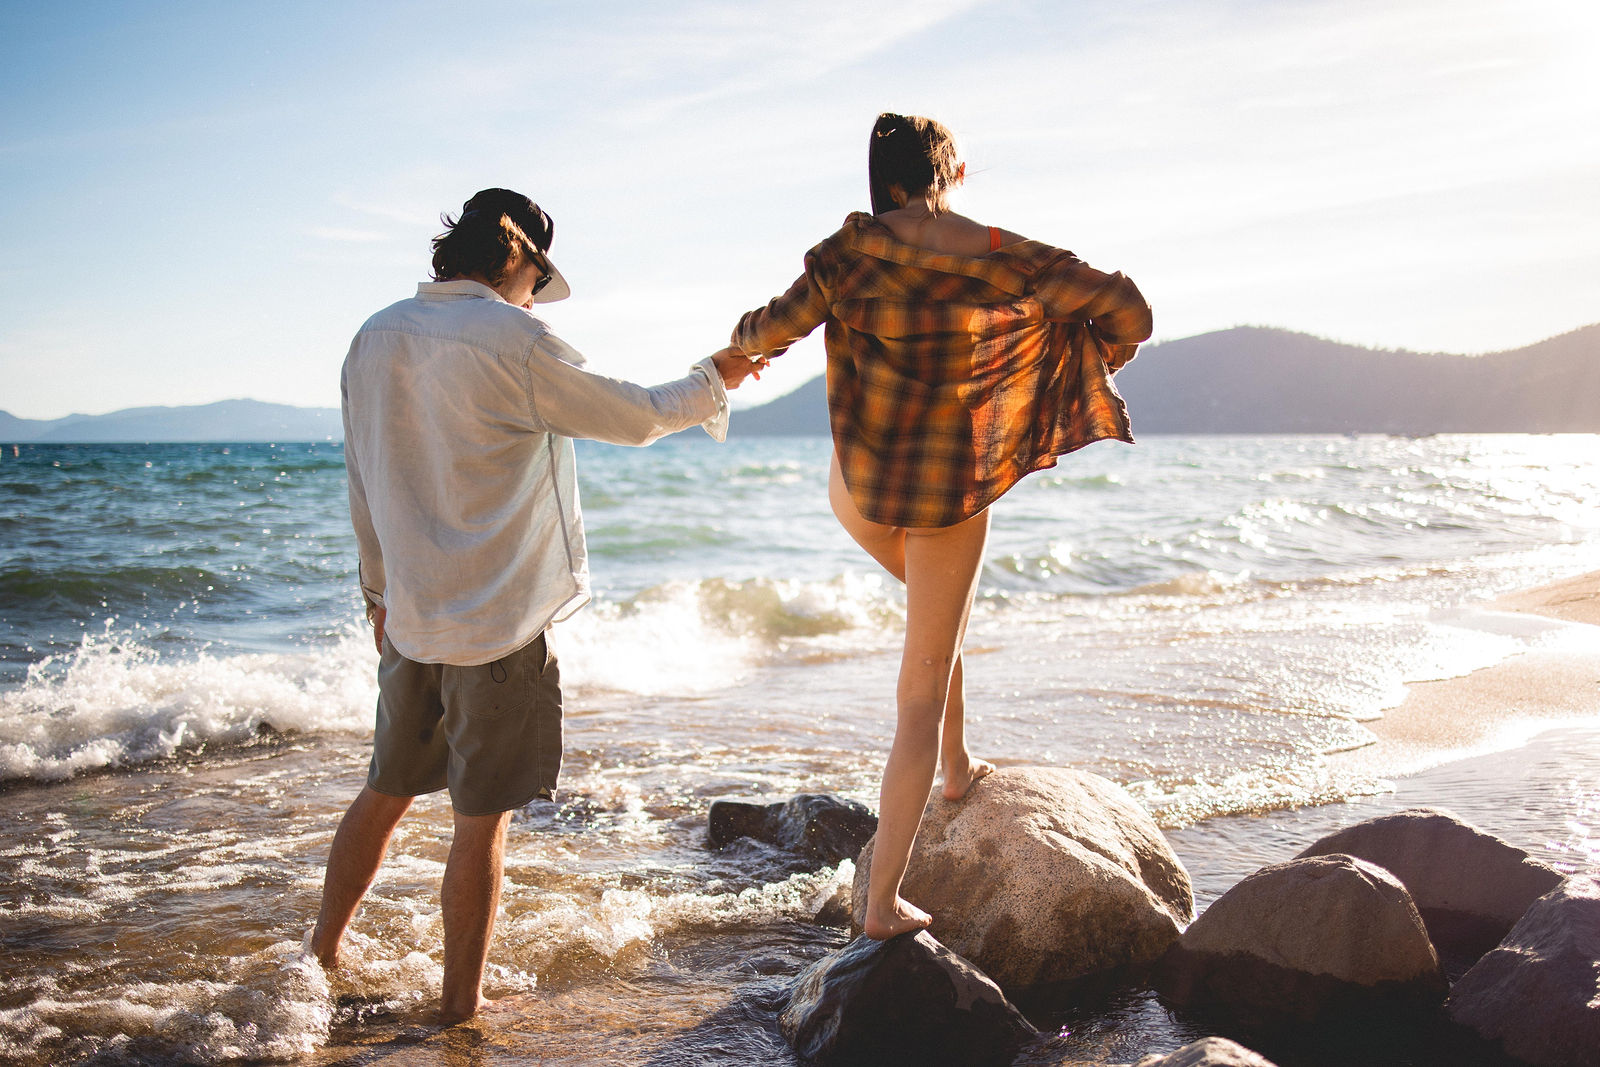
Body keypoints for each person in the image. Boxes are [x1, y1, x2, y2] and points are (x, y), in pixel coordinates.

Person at [311, 187, 760, 1022]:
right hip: (498, 622)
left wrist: (377, 593)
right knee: (479, 823)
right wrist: (715, 376)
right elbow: (638, 415)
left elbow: (362, 480)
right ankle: (459, 1010)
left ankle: (319, 957)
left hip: (409, 616)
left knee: (383, 792)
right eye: (535, 279)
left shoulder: (372, 336)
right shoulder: (516, 341)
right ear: (517, 255)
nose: (533, 297)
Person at [728, 114, 1152, 940]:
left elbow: (772, 326)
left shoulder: (846, 253)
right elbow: (1126, 306)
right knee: (918, 688)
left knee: (936, 622)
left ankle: (957, 767)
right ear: (948, 172)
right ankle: (881, 903)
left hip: (857, 487)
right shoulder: (1004, 254)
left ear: (884, 180)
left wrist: (744, 350)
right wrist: (1109, 350)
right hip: (947, 493)